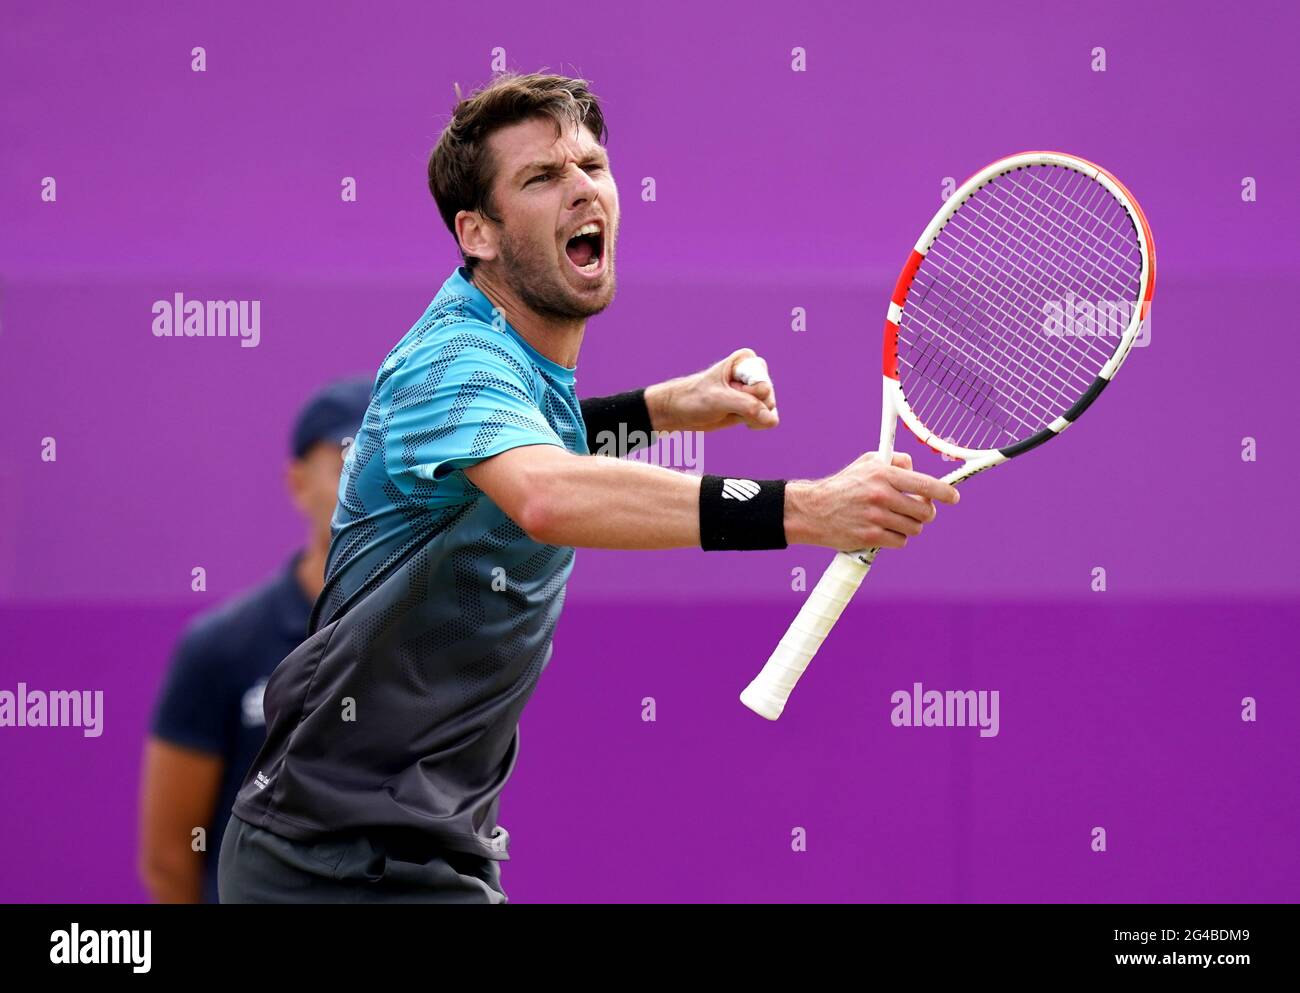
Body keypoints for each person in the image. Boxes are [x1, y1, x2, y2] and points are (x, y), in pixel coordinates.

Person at [219, 72, 959, 904]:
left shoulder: (512, 353)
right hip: (334, 861)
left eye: (593, 166)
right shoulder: (451, 362)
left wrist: (660, 407)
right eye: (541, 178)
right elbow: (544, 494)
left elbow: (511, 460)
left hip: (412, 845)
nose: (583, 190)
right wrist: (806, 509)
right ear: (479, 232)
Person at [138, 377, 371, 903]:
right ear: (297, 483)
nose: (366, 483)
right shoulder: (221, 647)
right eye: (346, 463)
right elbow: (170, 857)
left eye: (383, 464)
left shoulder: (434, 637)